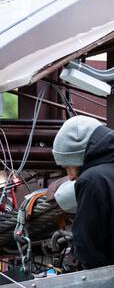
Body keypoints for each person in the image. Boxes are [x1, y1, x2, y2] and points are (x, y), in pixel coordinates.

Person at [52, 114, 114, 269]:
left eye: (68, 166)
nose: (71, 177)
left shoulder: (93, 180)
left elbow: (88, 249)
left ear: (80, 156)